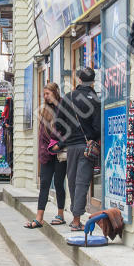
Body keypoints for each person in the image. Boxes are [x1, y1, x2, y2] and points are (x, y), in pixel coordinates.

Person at [53, 67, 102, 230]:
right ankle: (76, 220)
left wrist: (69, 135)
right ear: (93, 81)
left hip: (71, 147)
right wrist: (91, 136)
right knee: (82, 183)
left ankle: (76, 217)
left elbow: (58, 124)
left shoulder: (68, 97)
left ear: (79, 79)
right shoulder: (95, 99)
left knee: (73, 181)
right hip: (87, 147)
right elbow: (98, 128)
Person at [26, 83, 67, 228]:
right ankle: (39, 218)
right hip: (46, 152)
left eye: (48, 93)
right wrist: (44, 149)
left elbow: (69, 131)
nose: (45, 96)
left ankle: (60, 215)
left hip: (60, 152)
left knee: (59, 183)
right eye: (44, 94)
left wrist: (59, 144)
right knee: (44, 183)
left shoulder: (64, 108)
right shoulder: (44, 110)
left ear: (55, 93)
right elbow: (42, 133)